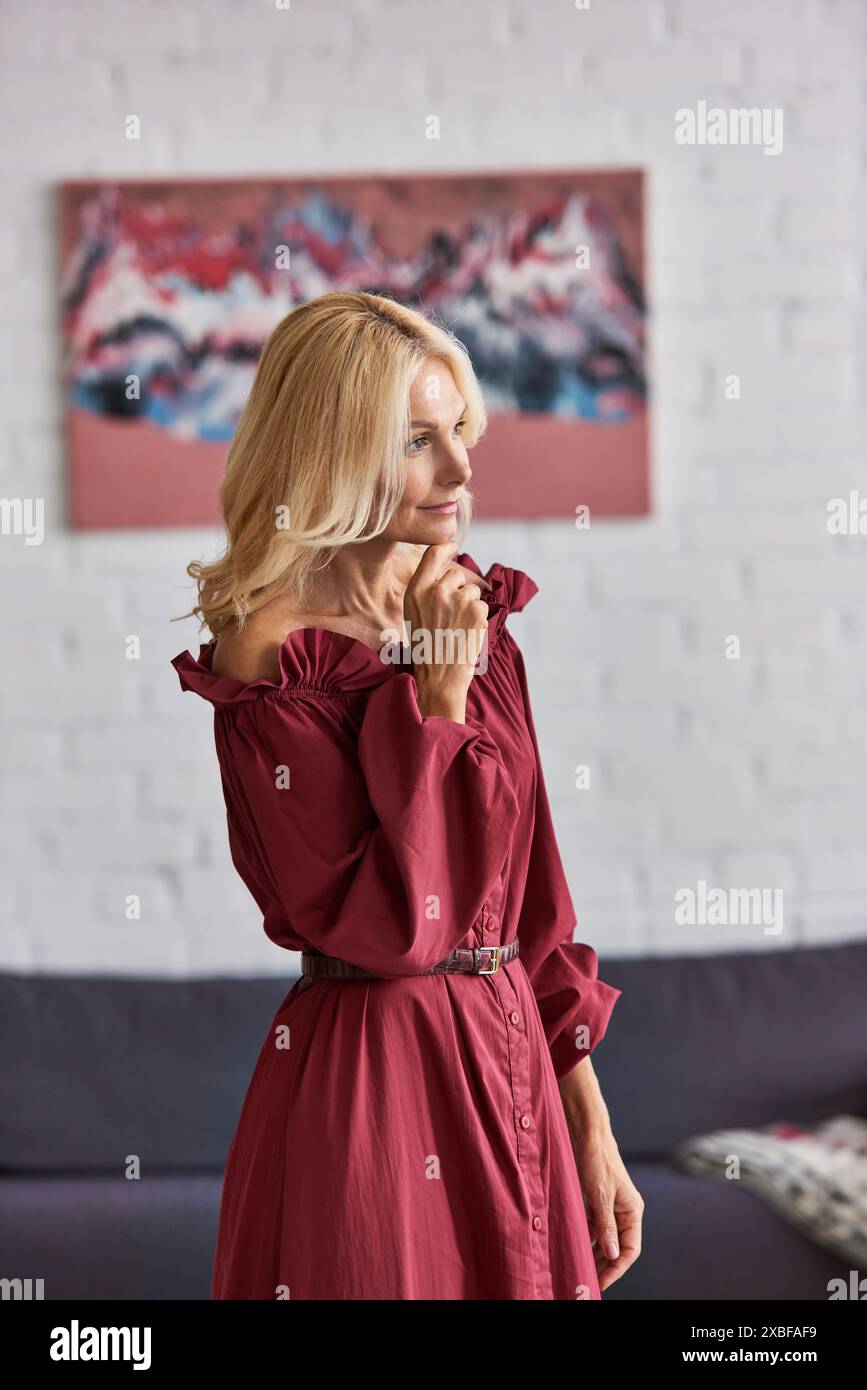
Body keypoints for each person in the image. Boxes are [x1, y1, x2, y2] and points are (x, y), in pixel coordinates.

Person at [171, 289, 643, 1299]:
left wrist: (591, 1125)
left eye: (460, 431)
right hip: (374, 1080)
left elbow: (536, 901)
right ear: (336, 454)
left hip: (511, 1058)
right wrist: (434, 691)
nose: (463, 470)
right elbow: (395, 929)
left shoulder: (470, 608)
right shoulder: (270, 659)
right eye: (419, 441)